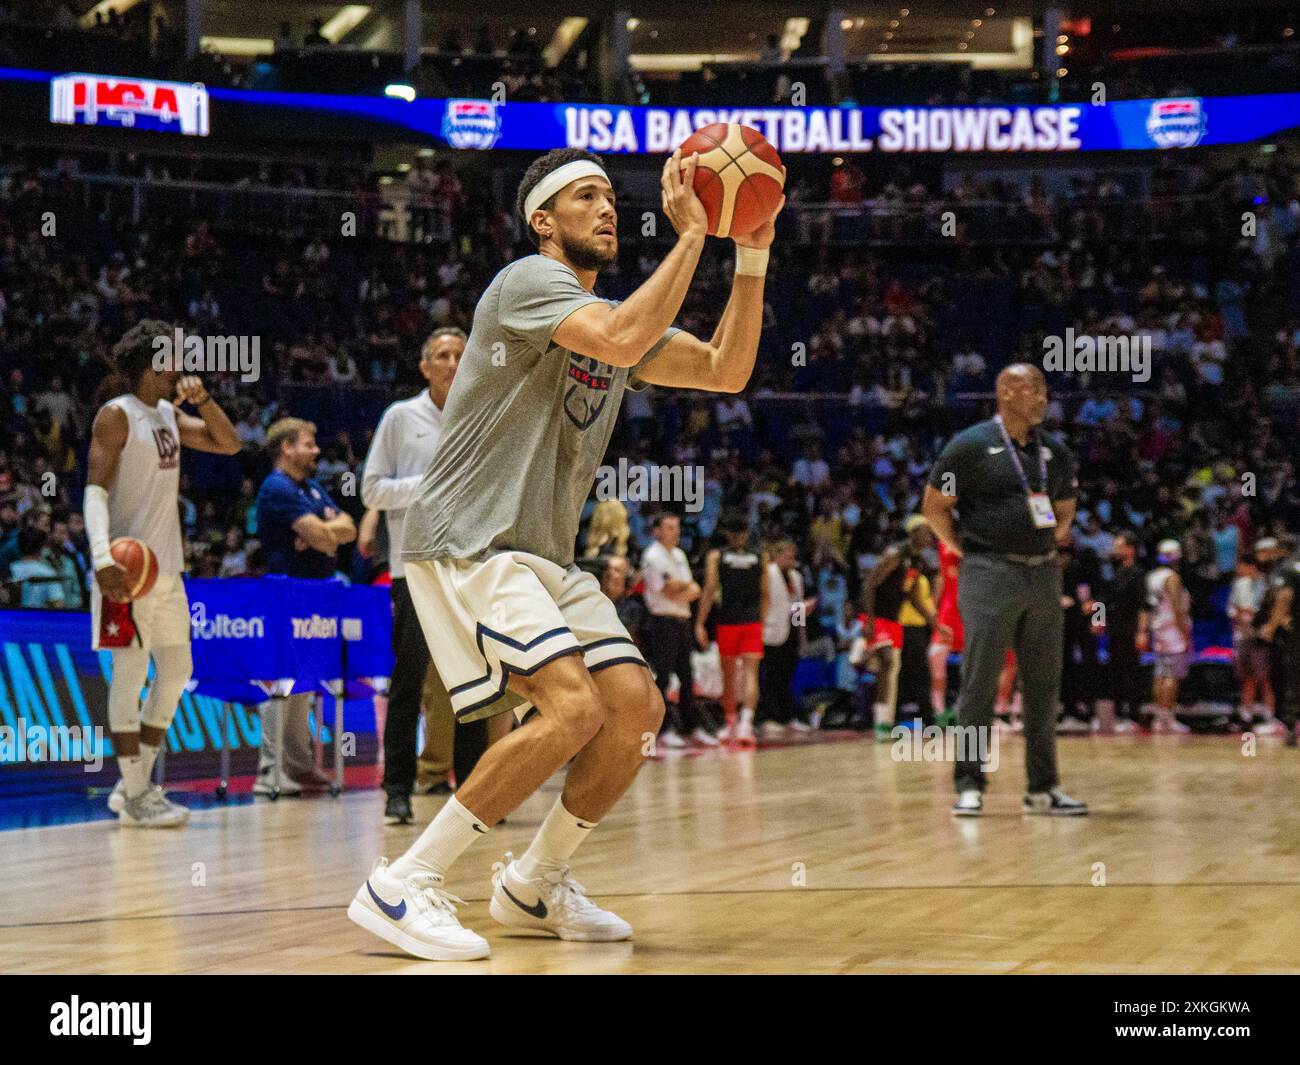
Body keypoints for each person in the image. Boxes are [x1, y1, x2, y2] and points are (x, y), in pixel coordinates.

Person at [348, 144, 782, 960]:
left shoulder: (617, 318)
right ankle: (404, 881)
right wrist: (692, 236)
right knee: (571, 707)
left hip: (543, 554)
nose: (608, 208)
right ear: (543, 221)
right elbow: (619, 335)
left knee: (635, 710)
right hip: (470, 539)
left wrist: (751, 247)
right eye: (587, 197)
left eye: (613, 196)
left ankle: (534, 880)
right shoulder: (524, 283)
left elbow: (727, 369)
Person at [85, 320, 240, 825]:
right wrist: (102, 558)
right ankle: (135, 794)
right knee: (129, 677)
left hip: (167, 572)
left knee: (176, 672)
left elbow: (230, 444)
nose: (183, 364)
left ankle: (132, 787)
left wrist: (206, 402)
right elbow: (94, 492)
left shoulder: (170, 413)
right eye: (174, 356)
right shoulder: (117, 416)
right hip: (124, 572)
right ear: (153, 364)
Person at [923, 363, 1088, 817]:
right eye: (1034, 389)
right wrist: (964, 550)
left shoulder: (1053, 451)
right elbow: (935, 507)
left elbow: (1067, 504)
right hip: (989, 573)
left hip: (1042, 574)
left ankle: (1043, 788)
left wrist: (1057, 532)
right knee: (979, 685)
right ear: (1007, 392)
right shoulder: (969, 447)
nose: (1043, 398)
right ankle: (969, 783)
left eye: (1043, 389)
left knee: (1042, 686)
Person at [360, 328, 491, 826]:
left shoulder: (481, 413)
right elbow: (372, 491)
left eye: (461, 354)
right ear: (424, 366)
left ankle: (477, 795)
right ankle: (398, 789)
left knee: (475, 684)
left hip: (468, 567)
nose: (454, 362)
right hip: (414, 568)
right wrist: (430, 485)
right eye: (443, 355)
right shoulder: (400, 418)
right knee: (409, 683)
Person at [254, 418, 357, 796]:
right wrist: (324, 536)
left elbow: (348, 528)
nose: (316, 451)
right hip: (285, 594)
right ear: (287, 448)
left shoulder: (311, 489)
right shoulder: (277, 488)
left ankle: (297, 765)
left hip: (316, 595)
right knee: (279, 683)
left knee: (303, 685)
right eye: (308, 444)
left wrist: (326, 538)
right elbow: (321, 533)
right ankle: (269, 772)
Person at [862, 514, 948, 738]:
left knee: (892, 671)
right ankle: (881, 724)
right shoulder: (895, 555)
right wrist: (869, 621)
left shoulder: (917, 561)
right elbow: (869, 584)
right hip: (877, 618)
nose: (929, 535)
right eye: (925, 531)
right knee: (888, 664)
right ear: (912, 533)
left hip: (893, 620)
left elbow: (912, 596)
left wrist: (936, 624)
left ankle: (885, 723)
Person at [639, 512, 712, 748]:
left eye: (677, 527)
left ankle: (691, 727)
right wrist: (683, 587)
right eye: (670, 527)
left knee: (687, 677)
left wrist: (682, 587)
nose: (676, 531)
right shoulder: (652, 556)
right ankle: (662, 728)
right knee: (664, 677)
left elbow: (694, 589)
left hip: (682, 621)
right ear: (657, 531)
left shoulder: (679, 554)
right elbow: (669, 589)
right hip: (662, 622)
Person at [697, 510, 769, 746]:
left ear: (727, 533)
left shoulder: (717, 557)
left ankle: (731, 725)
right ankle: (747, 725)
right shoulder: (761, 556)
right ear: (747, 533)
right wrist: (763, 620)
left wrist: (699, 622)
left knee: (728, 676)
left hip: (727, 621)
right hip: (752, 621)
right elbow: (765, 592)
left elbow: (708, 591)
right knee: (750, 674)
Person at [755, 538, 812, 738]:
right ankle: (768, 717)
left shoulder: (796, 576)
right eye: (788, 555)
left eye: (793, 555)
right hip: (771, 631)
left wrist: (802, 632)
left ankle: (787, 717)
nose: (792, 559)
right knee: (770, 677)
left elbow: (797, 606)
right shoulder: (767, 574)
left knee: (787, 676)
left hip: (791, 631)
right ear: (777, 555)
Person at [1144, 539, 1193, 734]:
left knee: (1160, 674)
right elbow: (1177, 607)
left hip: (1159, 629)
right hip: (1173, 630)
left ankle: (1159, 717)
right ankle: (1168, 717)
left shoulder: (1152, 576)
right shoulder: (1172, 578)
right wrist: (1185, 632)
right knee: (1171, 675)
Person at [1255, 534, 1300, 747]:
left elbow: (1284, 598)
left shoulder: (1287, 570)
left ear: (1282, 549)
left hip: (1292, 633)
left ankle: (1290, 725)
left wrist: (1271, 627)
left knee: (1291, 677)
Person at [1228, 547, 1279, 732]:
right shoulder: (1238, 584)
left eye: (1241, 566)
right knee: (1247, 678)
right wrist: (1240, 615)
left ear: (1251, 566)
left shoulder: (1267, 585)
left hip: (1260, 638)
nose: (1239, 569)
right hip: (1242, 636)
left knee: (1265, 678)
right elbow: (1232, 609)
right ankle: (1246, 717)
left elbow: (1266, 611)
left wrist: (1250, 614)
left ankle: (1269, 716)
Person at [1103, 531, 1146, 733]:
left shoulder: (1138, 574)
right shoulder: (1116, 572)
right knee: (1116, 671)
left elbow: (1143, 606)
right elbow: (1105, 600)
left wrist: (1141, 632)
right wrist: (1099, 620)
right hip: (1115, 630)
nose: (1115, 550)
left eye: (1119, 546)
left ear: (1130, 549)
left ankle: (1133, 715)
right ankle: (1118, 714)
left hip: (1130, 630)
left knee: (1131, 672)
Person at [928, 536, 963, 725]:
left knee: (975, 662)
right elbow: (941, 575)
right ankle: (938, 710)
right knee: (936, 655)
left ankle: (969, 709)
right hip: (949, 608)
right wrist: (934, 608)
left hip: (971, 606)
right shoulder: (944, 542)